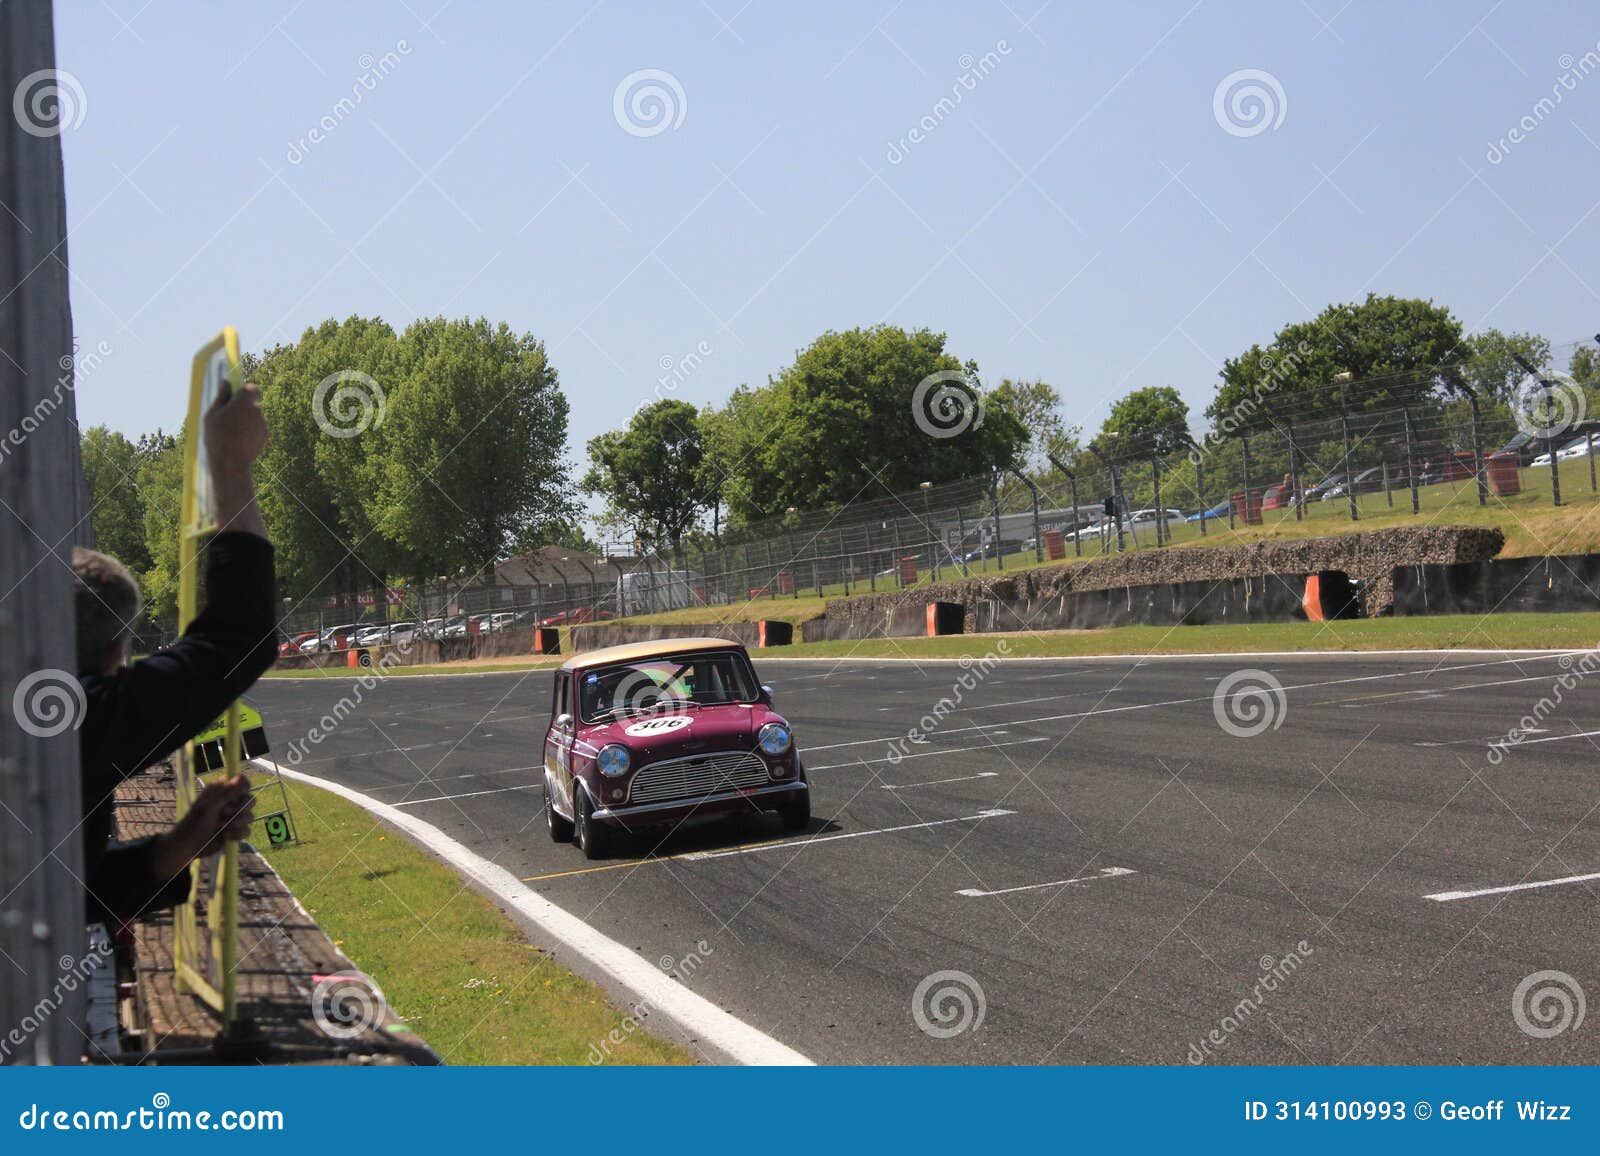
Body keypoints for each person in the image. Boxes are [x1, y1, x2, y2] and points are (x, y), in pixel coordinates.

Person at [75, 383, 279, 924]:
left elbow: (67, 892)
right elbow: (238, 639)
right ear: (113, 658)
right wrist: (229, 466)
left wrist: (180, 843)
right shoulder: (73, 716)